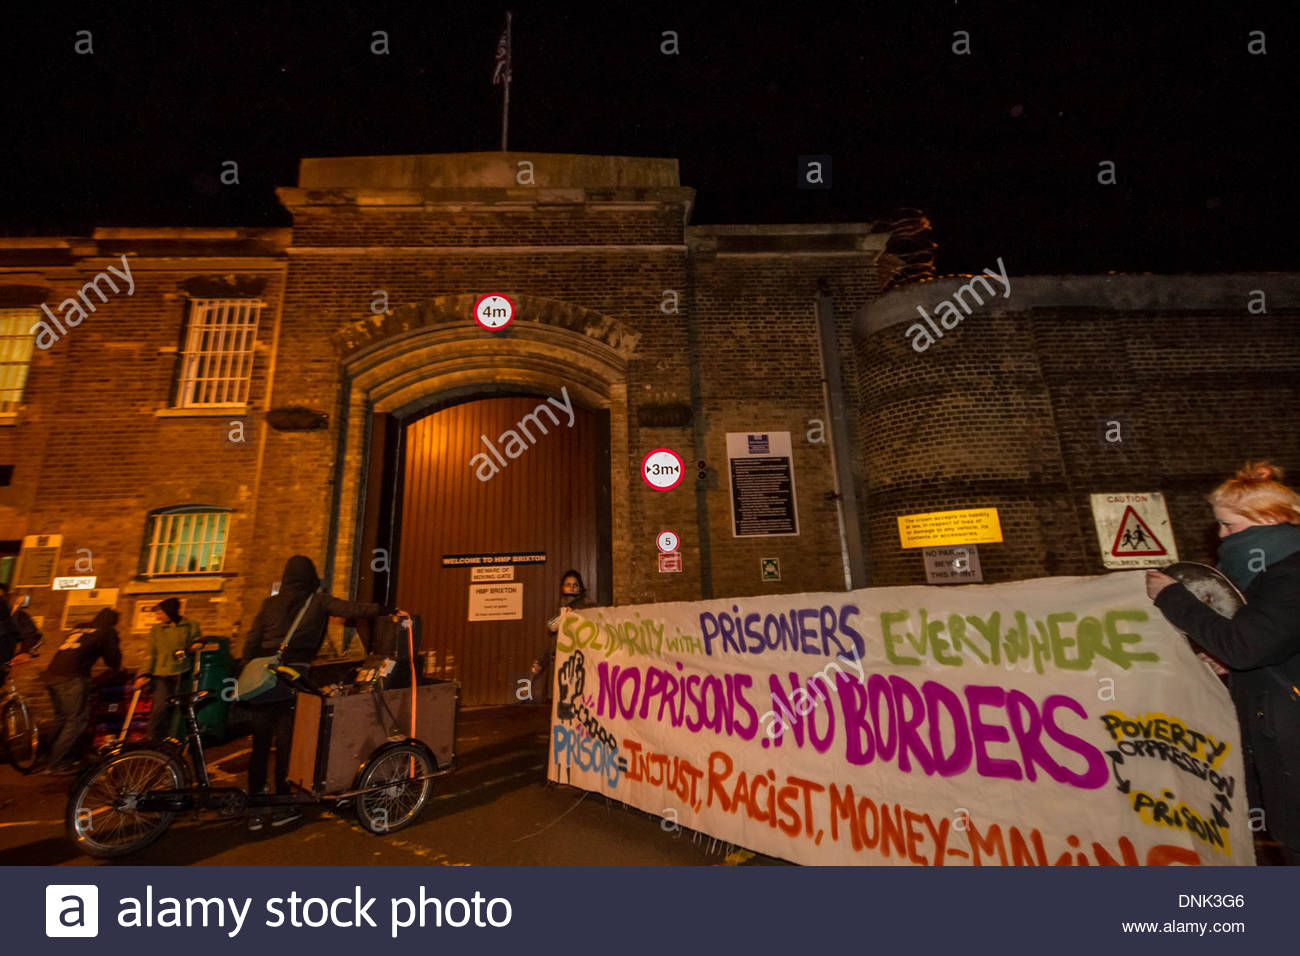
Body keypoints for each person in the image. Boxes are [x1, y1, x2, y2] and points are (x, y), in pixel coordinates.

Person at [1145, 461, 1300, 866]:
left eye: (1228, 526)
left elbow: (1245, 645)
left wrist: (1172, 598)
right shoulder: (1271, 573)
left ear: (1267, 521)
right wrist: (1233, 669)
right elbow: (1275, 644)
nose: (1220, 535)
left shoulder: (1289, 576)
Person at [240, 554, 399, 831]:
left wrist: (248, 671)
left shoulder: (269, 603)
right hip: (293, 677)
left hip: (261, 678)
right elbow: (353, 609)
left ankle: (254, 811)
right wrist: (387, 609)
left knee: (260, 745)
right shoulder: (317, 600)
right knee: (287, 742)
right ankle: (282, 806)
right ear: (310, 576)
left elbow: (252, 640)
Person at [39, 608, 123, 774]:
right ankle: (57, 763)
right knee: (76, 721)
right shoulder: (107, 631)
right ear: (113, 622)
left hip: (52, 675)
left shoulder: (80, 627)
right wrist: (116, 668)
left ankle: (44, 758)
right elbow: (113, 657)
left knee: (61, 719)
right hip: (72, 677)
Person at [133, 598, 204, 740]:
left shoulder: (190, 625)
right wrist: (144, 673)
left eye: (160, 612)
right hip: (162, 673)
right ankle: (153, 740)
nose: (157, 616)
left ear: (169, 611)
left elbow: (198, 639)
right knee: (160, 709)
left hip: (184, 671)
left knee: (182, 708)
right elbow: (150, 653)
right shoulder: (157, 630)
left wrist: (197, 644)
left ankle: (178, 737)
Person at [530, 570, 595, 703]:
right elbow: (553, 636)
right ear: (562, 587)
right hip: (559, 664)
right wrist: (541, 660)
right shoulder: (562, 608)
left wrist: (578, 615)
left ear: (580, 588)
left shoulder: (588, 606)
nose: (571, 588)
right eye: (568, 584)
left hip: (577, 664)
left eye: (575, 585)